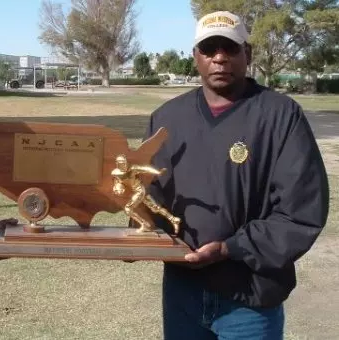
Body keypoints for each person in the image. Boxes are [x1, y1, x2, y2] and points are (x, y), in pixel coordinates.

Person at [138, 10, 329, 340]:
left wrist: (230, 248)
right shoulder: (167, 119)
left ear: (248, 53)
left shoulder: (281, 116)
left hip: (250, 301)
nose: (219, 58)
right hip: (182, 293)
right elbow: (148, 197)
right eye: (209, 49)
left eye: (230, 48)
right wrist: (137, 236)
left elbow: (301, 212)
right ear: (196, 56)